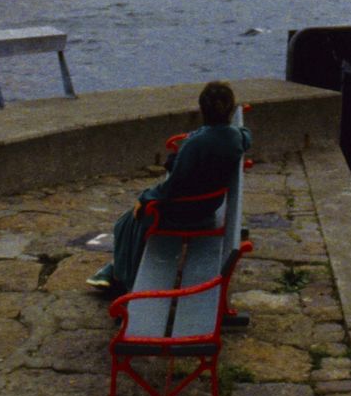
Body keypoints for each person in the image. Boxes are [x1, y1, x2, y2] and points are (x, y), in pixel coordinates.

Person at [88, 80, 251, 292]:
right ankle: (115, 269)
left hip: (189, 213)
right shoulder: (235, 137)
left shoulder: (196, 144)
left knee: (130, 220)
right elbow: (246, 135)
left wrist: (146, 197)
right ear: (229, 109)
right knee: (133, 218)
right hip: (209, 203)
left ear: (202, 109)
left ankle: (123, 279)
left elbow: (173, 186)